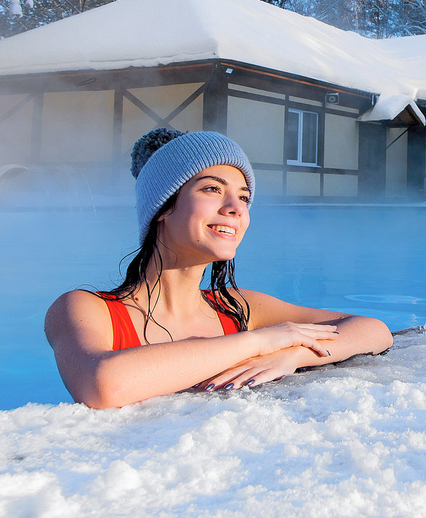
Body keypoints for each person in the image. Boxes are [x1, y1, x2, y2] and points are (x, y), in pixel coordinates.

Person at [45, 128, 393, 408]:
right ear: (162, 208)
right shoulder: (86, 309)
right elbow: (103, 385)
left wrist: (293, 354)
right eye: (212, 189)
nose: (236, 208)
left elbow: (373, 330)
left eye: (243, 197)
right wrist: (260, 341)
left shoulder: (237, 307)